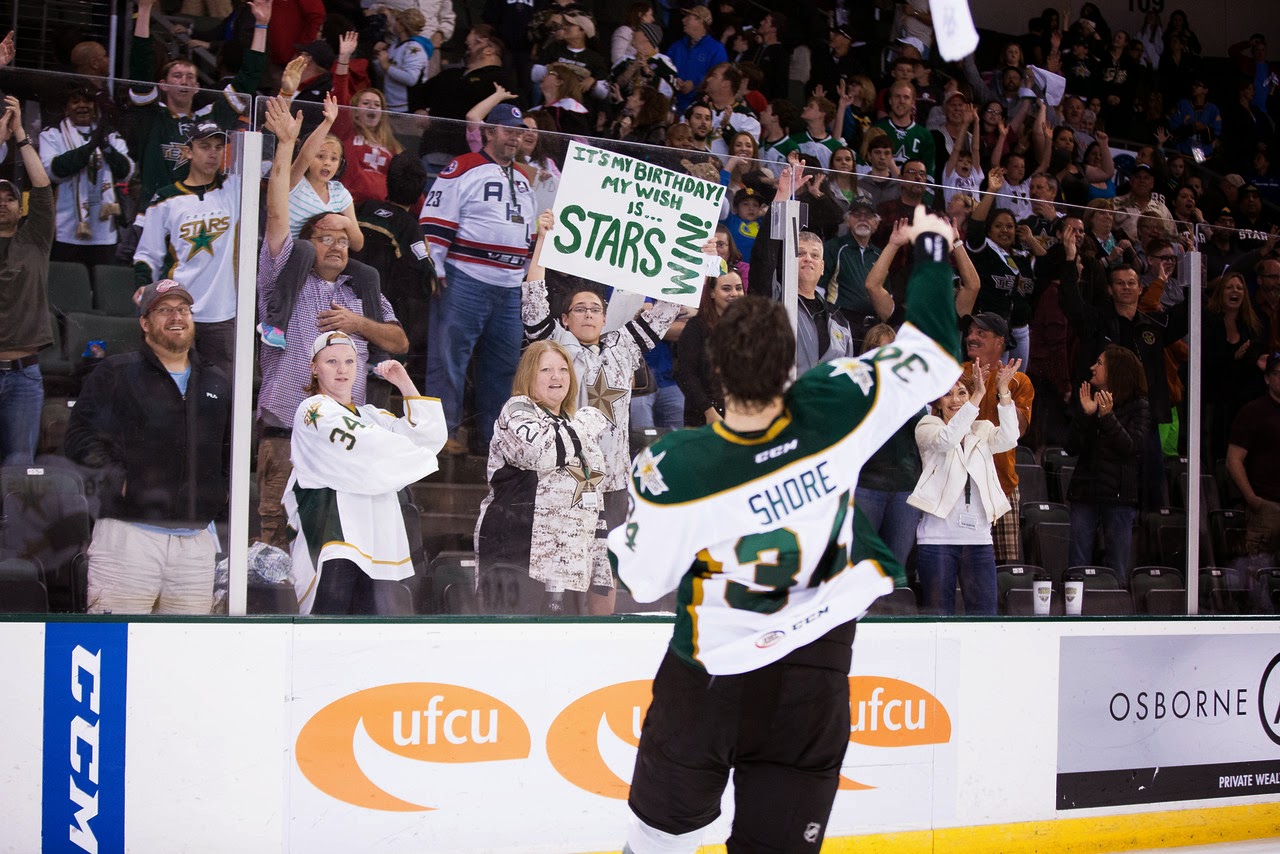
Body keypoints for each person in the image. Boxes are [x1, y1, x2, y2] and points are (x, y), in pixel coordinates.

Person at [609, 205, 963, 854]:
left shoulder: (677, 464)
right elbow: (934, 356)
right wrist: (934, 249)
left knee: (659, 840)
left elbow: (641, 578)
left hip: (708, 674)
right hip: (812, 669)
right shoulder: (834, 405)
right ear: (789, 367)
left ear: (718, 369)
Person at [256, 97, 409, 551]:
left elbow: (399, 341)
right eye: (325, 238)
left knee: (336, 546)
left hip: (346, 441)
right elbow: (277, 209)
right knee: (277, 544)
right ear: (306, 242)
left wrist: (358, 323)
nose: (337, 245)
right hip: (288, 436)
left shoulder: (360, 291)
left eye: (343, 238)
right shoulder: (283, 275)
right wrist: (287, 145)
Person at [523, 210, 681, 612]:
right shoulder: (552, 345)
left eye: (595, 308)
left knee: (604, 570)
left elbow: (667, 307)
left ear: (605, 317)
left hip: (611, 479)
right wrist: (543, 240)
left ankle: (601, 633)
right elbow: (534, 296)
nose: (589, 314)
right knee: (558, 568)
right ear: (565, 318)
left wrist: (693, 258)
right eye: (580, 309)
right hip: (561, 477)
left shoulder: (623, 346)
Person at [65, 280, 231, 614]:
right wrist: (120, 480)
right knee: (116, 643)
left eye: (183, 309)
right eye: (164, 310)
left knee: (186, 647)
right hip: (128, 539)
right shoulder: (117, 372)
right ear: (145, 322)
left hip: (195, 545)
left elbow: (229, 450)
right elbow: (79, 437)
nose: (177, 317)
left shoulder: (216, 380)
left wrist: (219, 493)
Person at [284, 331, 447, 614]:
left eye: (349, 361)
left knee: (367, 630)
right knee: (327, 625)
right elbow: (372, 447)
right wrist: (411, 455)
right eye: (332, 361)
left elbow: (428, 438)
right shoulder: (313, 410)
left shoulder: (372, 415)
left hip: (374, 541)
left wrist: (404, 383)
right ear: (314, 367)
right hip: (334, 539)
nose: (342, 369)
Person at [420, 102, 534, 454]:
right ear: (488, 132)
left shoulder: (524, 178)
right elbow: (432, 221)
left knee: (504, 366)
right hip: (465, 277)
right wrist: (435, 268)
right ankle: (443, 433)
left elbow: (530, 233)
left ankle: (493, 439)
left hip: (510, 285)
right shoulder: (462, 167)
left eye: (519, 133)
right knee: (448, 359)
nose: (514, 138)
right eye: (507, 131)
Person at [475, 340, 611, 614]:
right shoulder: (518, 410)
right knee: (514, 640)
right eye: (546, 370)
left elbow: (593, 500)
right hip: (516, 557)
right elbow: (540, 452)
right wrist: (586, 422)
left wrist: (601, 571)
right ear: (529, 375)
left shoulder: (573, 425)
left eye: (563, 369)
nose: (556, 377)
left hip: (571, 568)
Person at [128, 0, 269, 206]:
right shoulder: (152, 116)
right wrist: (144, 10)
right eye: (177, 76)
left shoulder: (210, 118)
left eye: (190, 77)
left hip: (199, 216)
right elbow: (140, 69)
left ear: (197, 87)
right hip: (154, 212)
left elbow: (247, 79)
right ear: (163, 85)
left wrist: (262, 25)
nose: (184, 81)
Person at [909, 358, 1020, 615]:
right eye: (947, 394)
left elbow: (1009, 438)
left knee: (984, 619)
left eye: (962, 393)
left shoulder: (982, 429)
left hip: (979, 540)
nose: (956, 400)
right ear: (937, 402)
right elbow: (948, 440)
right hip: (937, 540)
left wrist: (1003, 391)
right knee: (939, 621)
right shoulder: (928, 427)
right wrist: (977, 396)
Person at [133, 120, 243, 374]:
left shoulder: (234, 189)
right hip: (177, 311)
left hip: (223, 313)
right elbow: (147, 254)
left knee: (221, 387)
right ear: (187, 151)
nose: (213, 153)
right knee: (169, 382)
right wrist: (142, 283)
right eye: (204, 146)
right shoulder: (166, 198)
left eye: (218, 147)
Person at [1065, 345, 1150, 581]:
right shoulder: (1089, 398)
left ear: (1116, 371)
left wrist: (1107, 417)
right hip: (1085, 492)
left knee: (1117, 567)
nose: (1092, 367)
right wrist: (1086, 415)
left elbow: (1131, 447)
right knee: (1077, 564)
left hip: (1119, 496)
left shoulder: (1139, 405)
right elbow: (1070, 447)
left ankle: (1115, 602)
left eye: (1099, 363)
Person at [0, 95, 54, 465]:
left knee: (19, 470)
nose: (2, 202)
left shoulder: (34, 238)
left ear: (20, 207)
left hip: (25, 374)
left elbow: (43, 189)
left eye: (9, 198)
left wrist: (20, 135)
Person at [960, 312, 1034, 564]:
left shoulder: (1019, 381)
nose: (971, 337)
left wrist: (1004, 391)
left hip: (1003, 485)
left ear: (1000, 341)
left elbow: (1018, 430)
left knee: (1006, 567)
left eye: (981, 333)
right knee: (965, 563)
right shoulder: (956, 375)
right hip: (962, 486)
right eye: (970, 332)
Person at [38, 86, 134, 270]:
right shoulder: (52, 134)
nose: (82, 106)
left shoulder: (109, 134)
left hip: (105, 232)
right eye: (75, 102)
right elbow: (53, 170)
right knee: (69, 283)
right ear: (66, 108)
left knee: (102, 284)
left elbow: (126, 171)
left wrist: (106, 147)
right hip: (66, 230)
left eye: (87, 101)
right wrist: (89, 148)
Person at [854, 325, 925, 572]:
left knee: (895, 568)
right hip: (866, 485)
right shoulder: (855, 388)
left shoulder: (910, 389)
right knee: (860, 567)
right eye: (878, 350)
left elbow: (922, 428)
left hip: (904, 489)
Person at [331, 31, 405, 207]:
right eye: (366, 103)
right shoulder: (346, 131)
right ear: (355, 112)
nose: (372, 107)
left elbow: (406, 181)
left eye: (377, 105)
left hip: (381, 209)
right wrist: (344, 58)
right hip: (349, 205)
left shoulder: (392, 146)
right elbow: (340, 95)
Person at [818, 193, 895, 350]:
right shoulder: (834, 248)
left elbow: (887, 294)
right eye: (857, 214)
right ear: (848, 220)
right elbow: (818, 288)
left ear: (876, 223)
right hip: (841, 322)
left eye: (868, 215)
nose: (863, 219)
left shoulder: (879, 255)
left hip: (873, 328)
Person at [675, 264, 745, 426]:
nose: (734, 294)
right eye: (726, 289)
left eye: (739, 288)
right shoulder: (696, 327)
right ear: (712, 292)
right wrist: (709, 411)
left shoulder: (749, 327)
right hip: (704, 417)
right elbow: (686, 375)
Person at [1226, 354, 1280, 563]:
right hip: (1265, 508)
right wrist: (1253, 500)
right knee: (1260, 574)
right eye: (1278, 374)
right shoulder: (1253, 412)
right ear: (1267, 378)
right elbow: (1233, 460)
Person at [794, 230, 856, 374]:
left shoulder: (840, 321)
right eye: (801, 253)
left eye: (814, 255)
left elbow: (846, 374)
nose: (808, 259)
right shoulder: (778, 303)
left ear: (822, 267)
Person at [667, 5, 728, 113]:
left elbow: (720, 78)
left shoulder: (716, 50)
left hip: (697, 109)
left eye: (688, 17)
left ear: (700, 21)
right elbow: (665, 66)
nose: (683, 20)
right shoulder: (677, 46)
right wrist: (674, 78)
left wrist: (695, 84)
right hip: (669, 103)